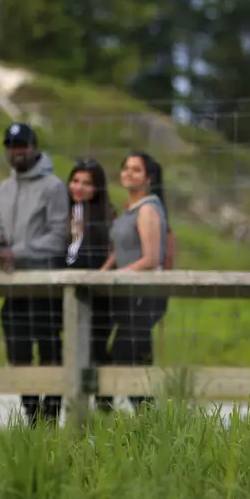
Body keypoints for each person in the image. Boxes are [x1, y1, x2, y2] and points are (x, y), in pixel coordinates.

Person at [0, 122, 70, 425]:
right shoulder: (4, 188)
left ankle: (51, 416)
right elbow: (10, 232)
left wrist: (17, 252)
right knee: (17, 352)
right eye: (11, 146)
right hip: (15, 285)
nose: (17, 152)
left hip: (45, 284)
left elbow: (58, 238)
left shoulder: (54, 187)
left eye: (22, 146)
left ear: (34, 147)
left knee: (49, 352)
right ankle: (32, 416)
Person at [101, 150, 170, 411]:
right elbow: (117, 251)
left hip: (144, 295)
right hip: (126, 294)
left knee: (126, 352)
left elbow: (151, 259)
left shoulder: (148, 210)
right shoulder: (129, 210)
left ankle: (137, 415)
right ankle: (145, 418)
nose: (128, 173)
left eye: (136, 169)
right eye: (125, 168)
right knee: (134, 355)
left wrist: (118, 275)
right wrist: (101, 273)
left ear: (148, 178)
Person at [64, 159, 117, 404]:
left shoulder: (106, 215)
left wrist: (101, 274)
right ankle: (78, 407)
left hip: (98, 293)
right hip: (68, 290)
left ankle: (104, 406)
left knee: (96, 349)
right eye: (75, 181)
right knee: (73, 350)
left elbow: (116, 251)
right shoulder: (63, 212)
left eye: (87, 183)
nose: (79, 187)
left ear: (97, 187)